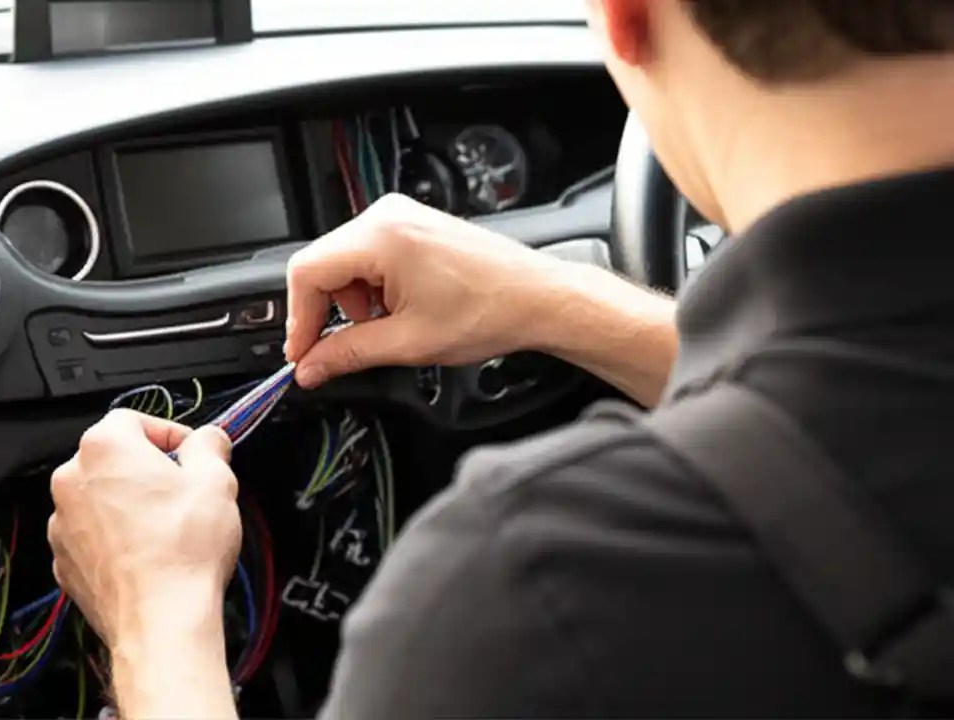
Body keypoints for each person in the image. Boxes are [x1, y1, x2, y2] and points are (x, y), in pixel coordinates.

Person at [46, 0, 954, 716]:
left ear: (626, 16)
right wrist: (554, 300)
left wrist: (156, 619)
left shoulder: (534, 589)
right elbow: (858, 403)